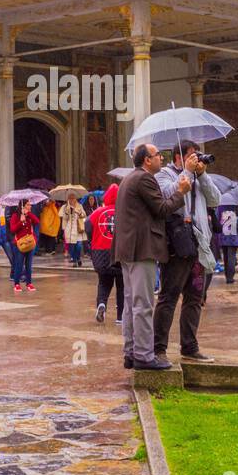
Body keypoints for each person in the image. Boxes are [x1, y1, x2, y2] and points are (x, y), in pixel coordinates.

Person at [115, 144, 189, 370]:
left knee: (130, 303)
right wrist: (181, 192)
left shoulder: (129, 178)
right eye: (158, 155)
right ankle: (145, 355)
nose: (162, 159)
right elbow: (162, 209)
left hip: (128, 249)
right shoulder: (145, 179)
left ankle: (131, 351)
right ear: (147, 160)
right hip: (142, 248)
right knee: (143, 304)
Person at [154, 141, 221, 363]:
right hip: (177, 244)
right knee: (169, 297)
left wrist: (202, 175)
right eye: (193, 155)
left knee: (195, 298)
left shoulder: (198, 177)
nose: (198, 159)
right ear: (178, 157)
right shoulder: (164, 174)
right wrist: (187, 172)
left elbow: (215, 199)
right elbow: (165, 194)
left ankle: (190, 346)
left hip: (199, 245)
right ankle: (159, 349)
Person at [88, 184, 123, 323]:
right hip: (120, 252)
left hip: (101, 253)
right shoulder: (124, 212)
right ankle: (120, 317)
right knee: (122, 285)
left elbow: (87, 227)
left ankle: (101, 304)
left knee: (103, 282)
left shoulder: (97, 212)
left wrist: (94, 240)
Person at [9, 200, 39, 293]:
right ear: (22, 206)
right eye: (28, 205)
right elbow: (12, 229)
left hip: (29, 243)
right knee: (19, 264)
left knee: (28, 265)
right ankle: (17, 284)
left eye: (30, 204)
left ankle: (29, 283)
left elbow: (37, 221)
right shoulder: (15, 216)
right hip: (19, 244)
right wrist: (20, 222)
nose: (30, 206)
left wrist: (28, 214)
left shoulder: (30, 215)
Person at [60, 192, 87, 267]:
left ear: (75, 199)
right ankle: (75, 260)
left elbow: (84, 215)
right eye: (70, 198)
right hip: (69, 229)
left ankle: (78, 258)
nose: (72, 200)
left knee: (78, 246)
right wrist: (67, 212)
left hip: (78, 229)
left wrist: (78, 212)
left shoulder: (80, 206)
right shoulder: (65, 207)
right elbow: (64, 218)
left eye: (73, 198)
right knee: (71, 246)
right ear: (68, 199)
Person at [217, 202, 238, 284]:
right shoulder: (236, 206)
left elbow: (217, 219)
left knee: (226, 258)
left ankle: (227, 276)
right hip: (233, 235)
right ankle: (230, 278)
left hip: (223, 235)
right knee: (231, 258)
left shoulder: (220, 207)